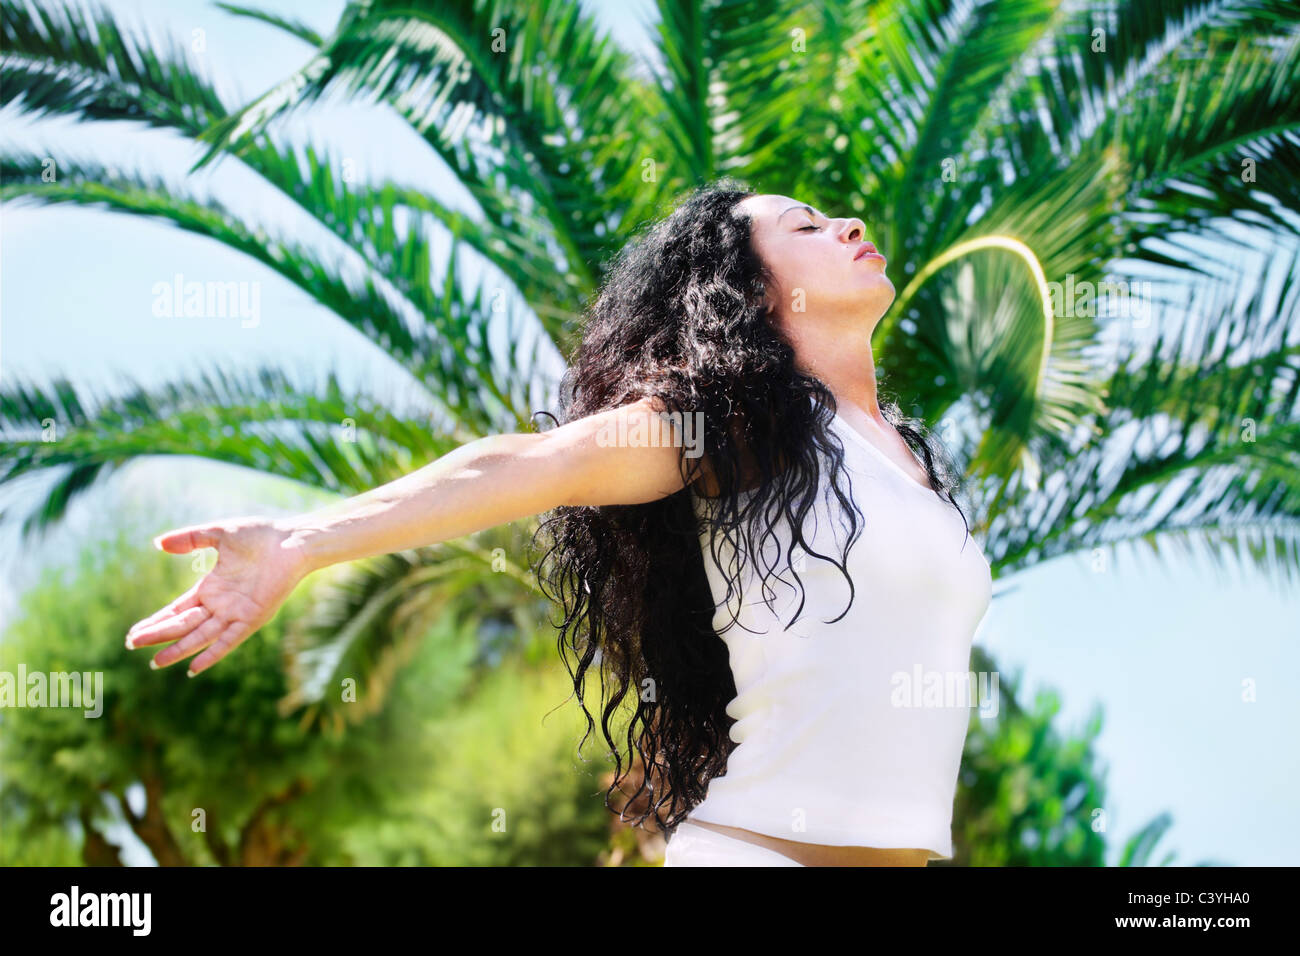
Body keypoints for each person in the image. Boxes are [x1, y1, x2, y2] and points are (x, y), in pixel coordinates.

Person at [125, 179, 992, 866]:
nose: (844, 223)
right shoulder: (742, 425)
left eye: (832, 218)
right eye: (804, 229)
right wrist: (303, 541)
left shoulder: (910, 465)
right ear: (755, 294)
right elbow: (535, 464)